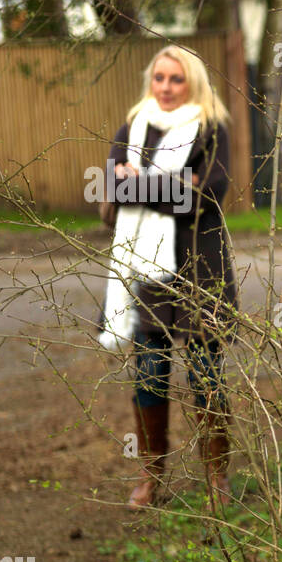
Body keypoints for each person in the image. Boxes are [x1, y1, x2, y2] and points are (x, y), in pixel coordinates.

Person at [98, 44, 239, 510]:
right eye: (159, 78)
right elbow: (108, 200)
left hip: (201, 268)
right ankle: (150, 472)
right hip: (146, 270)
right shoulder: (130, 130)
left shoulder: (211, 129)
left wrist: (138, 185)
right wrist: (169, 186)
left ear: (193, 82)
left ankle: (217, 477)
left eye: (176, 79)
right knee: (151, 373)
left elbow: (205, 197)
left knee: (205, 374)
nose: (166, 87)